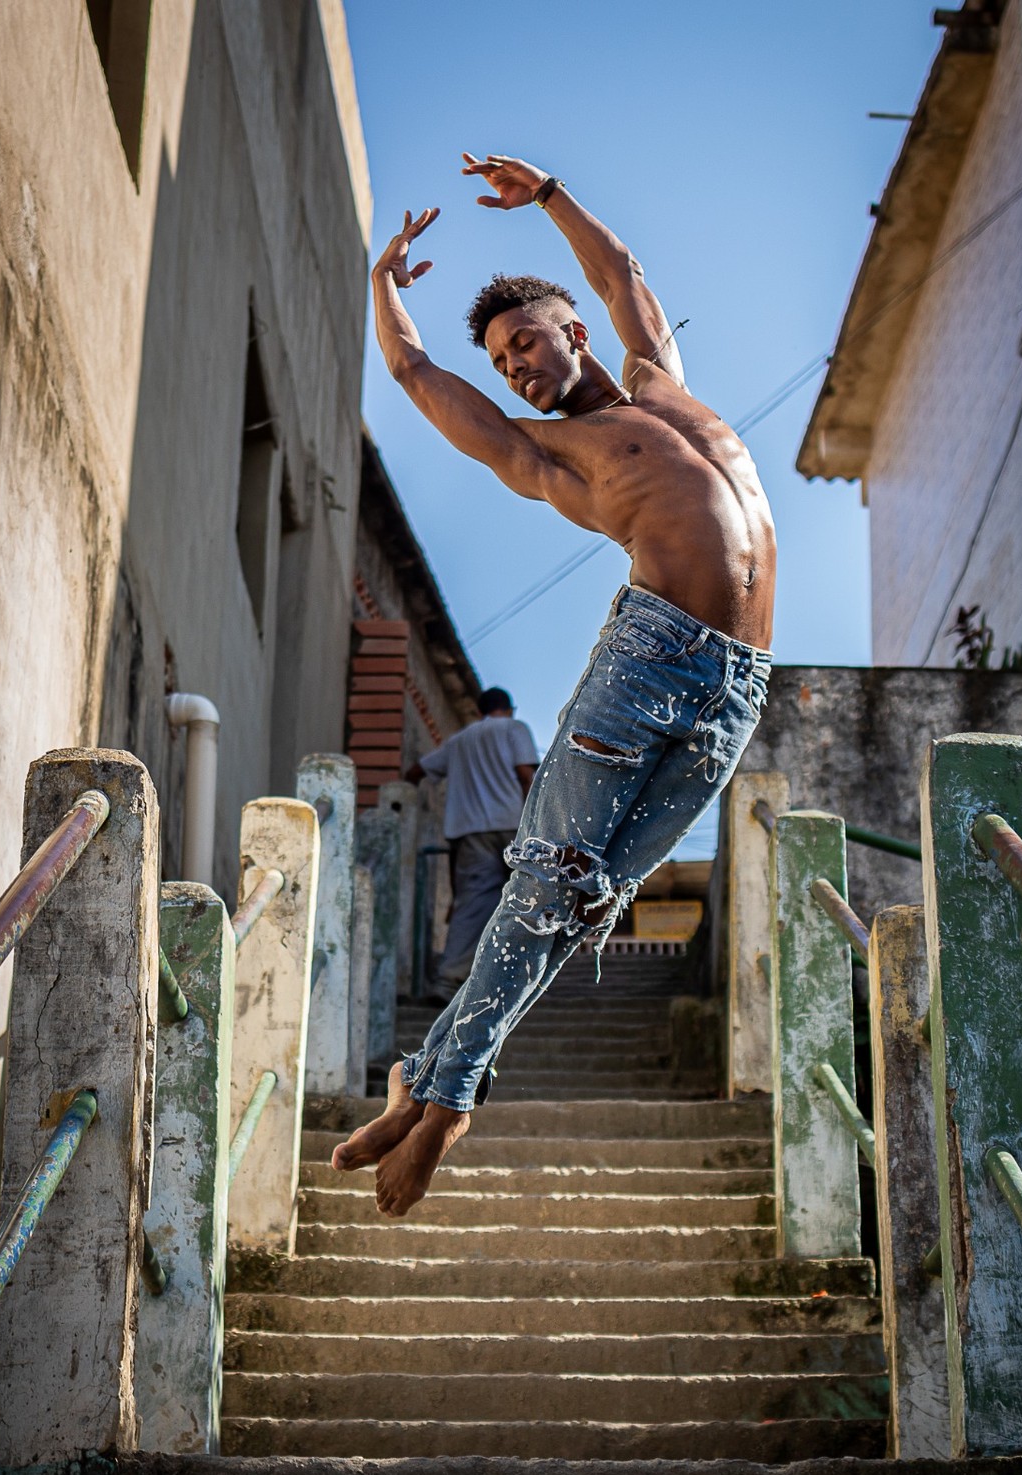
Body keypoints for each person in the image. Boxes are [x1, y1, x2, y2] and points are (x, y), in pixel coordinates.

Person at [333, 151, 777, 1216]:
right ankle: (445, 1103)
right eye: (501, 359)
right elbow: (414, 378)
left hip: (739, 690)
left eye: (526, 340)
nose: (516, 367)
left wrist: (548, 199)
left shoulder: (662, 380)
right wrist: (384, 289)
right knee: (545, 878)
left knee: (582, 904)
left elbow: (622, 272)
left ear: (571, 328)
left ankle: (426, 1081)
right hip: (650, 659)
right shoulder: (552, 451)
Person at [407, 686, 538, 1005]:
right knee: (527, 901)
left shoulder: (460, 740)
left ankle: (448, 980)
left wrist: (406, 796)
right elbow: (525, 774)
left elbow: (417, 771)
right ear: (510, 709)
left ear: (480, 711)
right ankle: (515, 984)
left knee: (471, 905)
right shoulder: (514, 728)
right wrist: (535, 823)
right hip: (513, 828)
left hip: (470, 833)